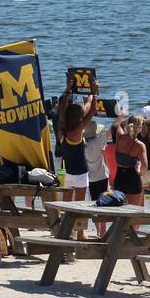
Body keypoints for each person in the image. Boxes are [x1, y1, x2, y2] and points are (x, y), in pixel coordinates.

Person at [57, 89, 99, 238]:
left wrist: (67, 91)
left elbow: (61, 111)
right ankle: (80, 233)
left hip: (67, 173)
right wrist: (95, 93)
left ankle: (66, 230)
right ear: (79, 118)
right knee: (80, 205)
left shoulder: (61, 129)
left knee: (67, 204)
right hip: (80, 174)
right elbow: (93, 110)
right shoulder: (78, 131)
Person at [111, 112, 148, 205]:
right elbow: (145, 167)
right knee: (134, 212)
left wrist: (127, 120)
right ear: (139, 128)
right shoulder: (140, 145)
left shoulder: (119, 137)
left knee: (119, 210)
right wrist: (139, 171)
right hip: (133, 178)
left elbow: (116, 124)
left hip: (119, 178)